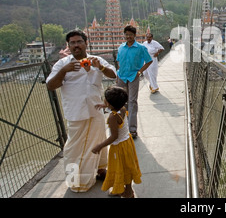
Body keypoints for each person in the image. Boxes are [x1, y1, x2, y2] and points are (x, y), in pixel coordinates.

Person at [46, 29, 116, 192]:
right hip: (76, 112)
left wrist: (102, 68)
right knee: (73, 149)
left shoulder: (96, 60)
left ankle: (100, 169)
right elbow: (50, 85)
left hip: (96, 109)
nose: (76, 45)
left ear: (86, 43)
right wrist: (64, 71)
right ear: (68, 46)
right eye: (72, 43)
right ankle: (75, 181)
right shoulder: (62, 64)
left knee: (99, 140)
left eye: (79, 42)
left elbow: (113, 75)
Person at [91, 86, 142, 198]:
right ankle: (125, 190)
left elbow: (114, 136)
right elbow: (115, 106)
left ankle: (127, 192)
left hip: (119, 147)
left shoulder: (112, 118)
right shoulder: (122, 109)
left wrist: (100, 146)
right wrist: (105, 105)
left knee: (120, 167)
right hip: (127, 143)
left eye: (105, 100)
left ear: (110, 104)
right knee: (127, 167)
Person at [116, 25, 152, 138]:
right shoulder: (121, 47)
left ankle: (132, 129)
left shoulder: (141, 48)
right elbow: (118, 60)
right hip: (121, 76)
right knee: (121, 102)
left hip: (133, 77)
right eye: (126, 34)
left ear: (134, 35)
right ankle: (122, 126)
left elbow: (149, 61)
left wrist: (140, 72)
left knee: (132, 101)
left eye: (130, 34)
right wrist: (119, 70)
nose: (128, 36)